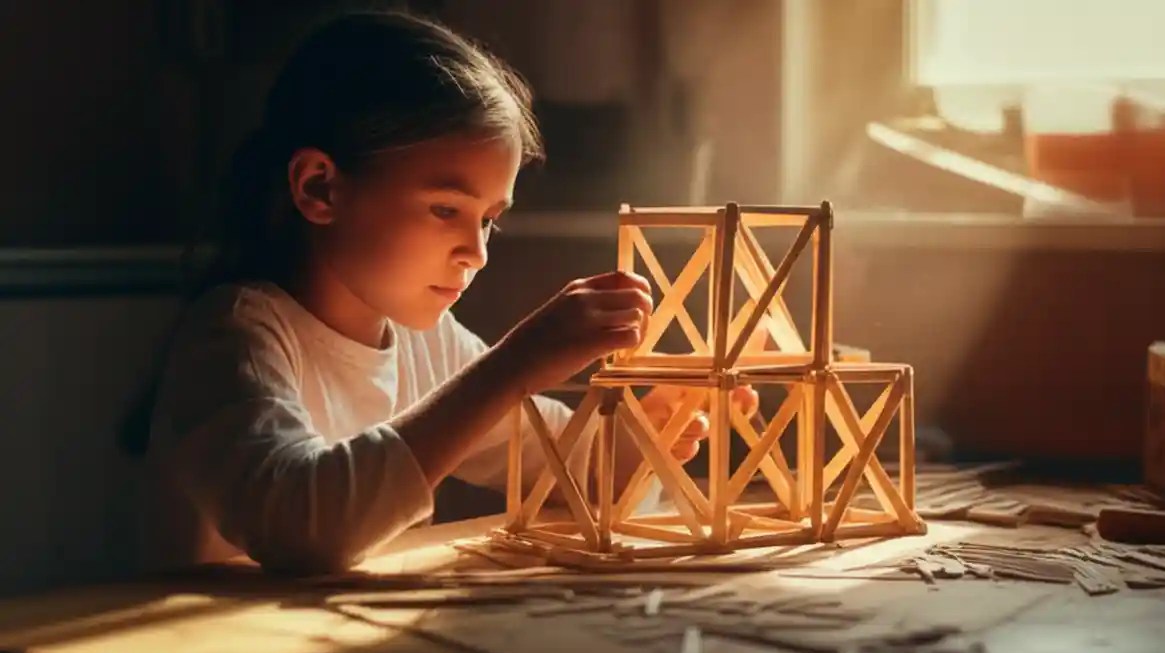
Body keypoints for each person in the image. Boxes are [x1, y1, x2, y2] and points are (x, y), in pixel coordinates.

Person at [140, 11, 755, 575]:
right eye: (445, 208)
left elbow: (573, 482)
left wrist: (640, 439)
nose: (477, 251)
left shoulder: (426, 342)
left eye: (489, 219)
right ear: (320, 189)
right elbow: (304, 531)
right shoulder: (235, 338)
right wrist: (513, 366)